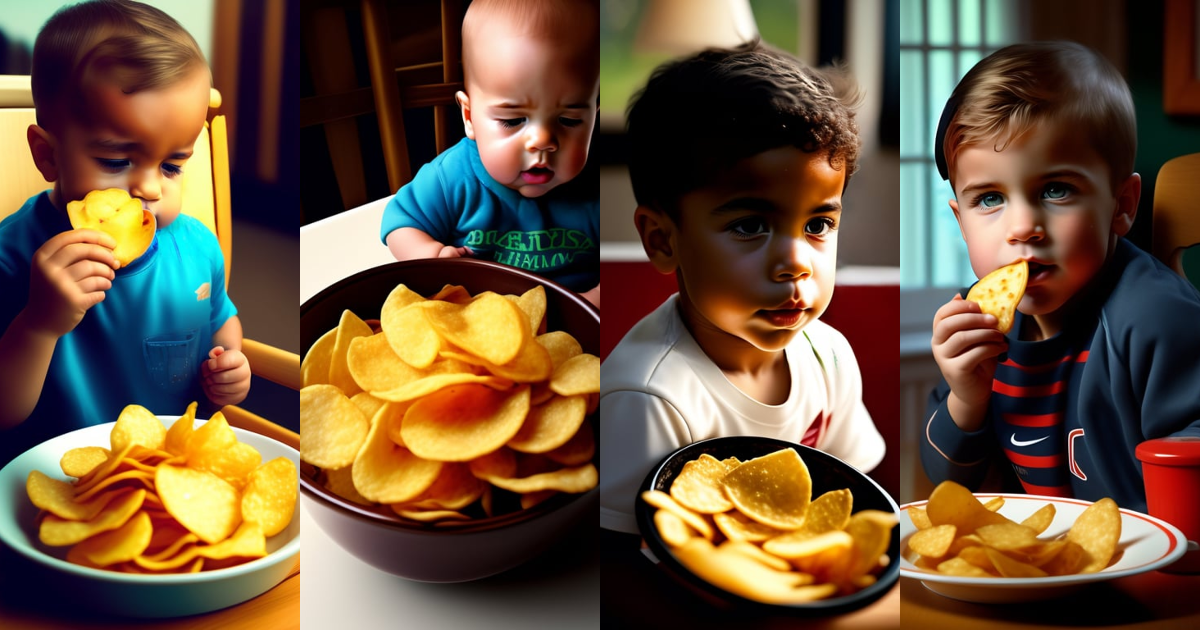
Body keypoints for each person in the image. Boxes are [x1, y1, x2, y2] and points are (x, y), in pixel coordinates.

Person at [599, 41, 886, 535]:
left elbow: (852, 501)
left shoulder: (831, 357)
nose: (796, 264)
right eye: (751, 226)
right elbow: (621, 569)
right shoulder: (649, 398)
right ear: (663, 240)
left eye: (818, 225)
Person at [922, 41, 1200, 512]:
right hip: (1037, 567)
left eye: (1055, 190)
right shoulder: (979, 323)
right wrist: (966, 401)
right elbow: (948, 483)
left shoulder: (1155, 319)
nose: (1022, 227)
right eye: (989, 198)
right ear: (960, 219)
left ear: (1121, 206)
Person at [0, 0, 249, 465]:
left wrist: (230, 361)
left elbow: (220, 320)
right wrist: (38, 324)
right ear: (48, 155)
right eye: (117, 162)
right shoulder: (11, 254)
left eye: (173, 165)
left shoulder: (198, 247)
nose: (150, 188)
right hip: (54, 482)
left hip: (169, 476)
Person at [379, 0, 600, 307]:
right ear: (469, 116)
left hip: (575, 328)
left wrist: (595, 300)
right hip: (477, 324)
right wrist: (432, 254)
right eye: (513, 120)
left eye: (569, 120)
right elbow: (400, 224)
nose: (543, 141)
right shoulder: (452, 178)